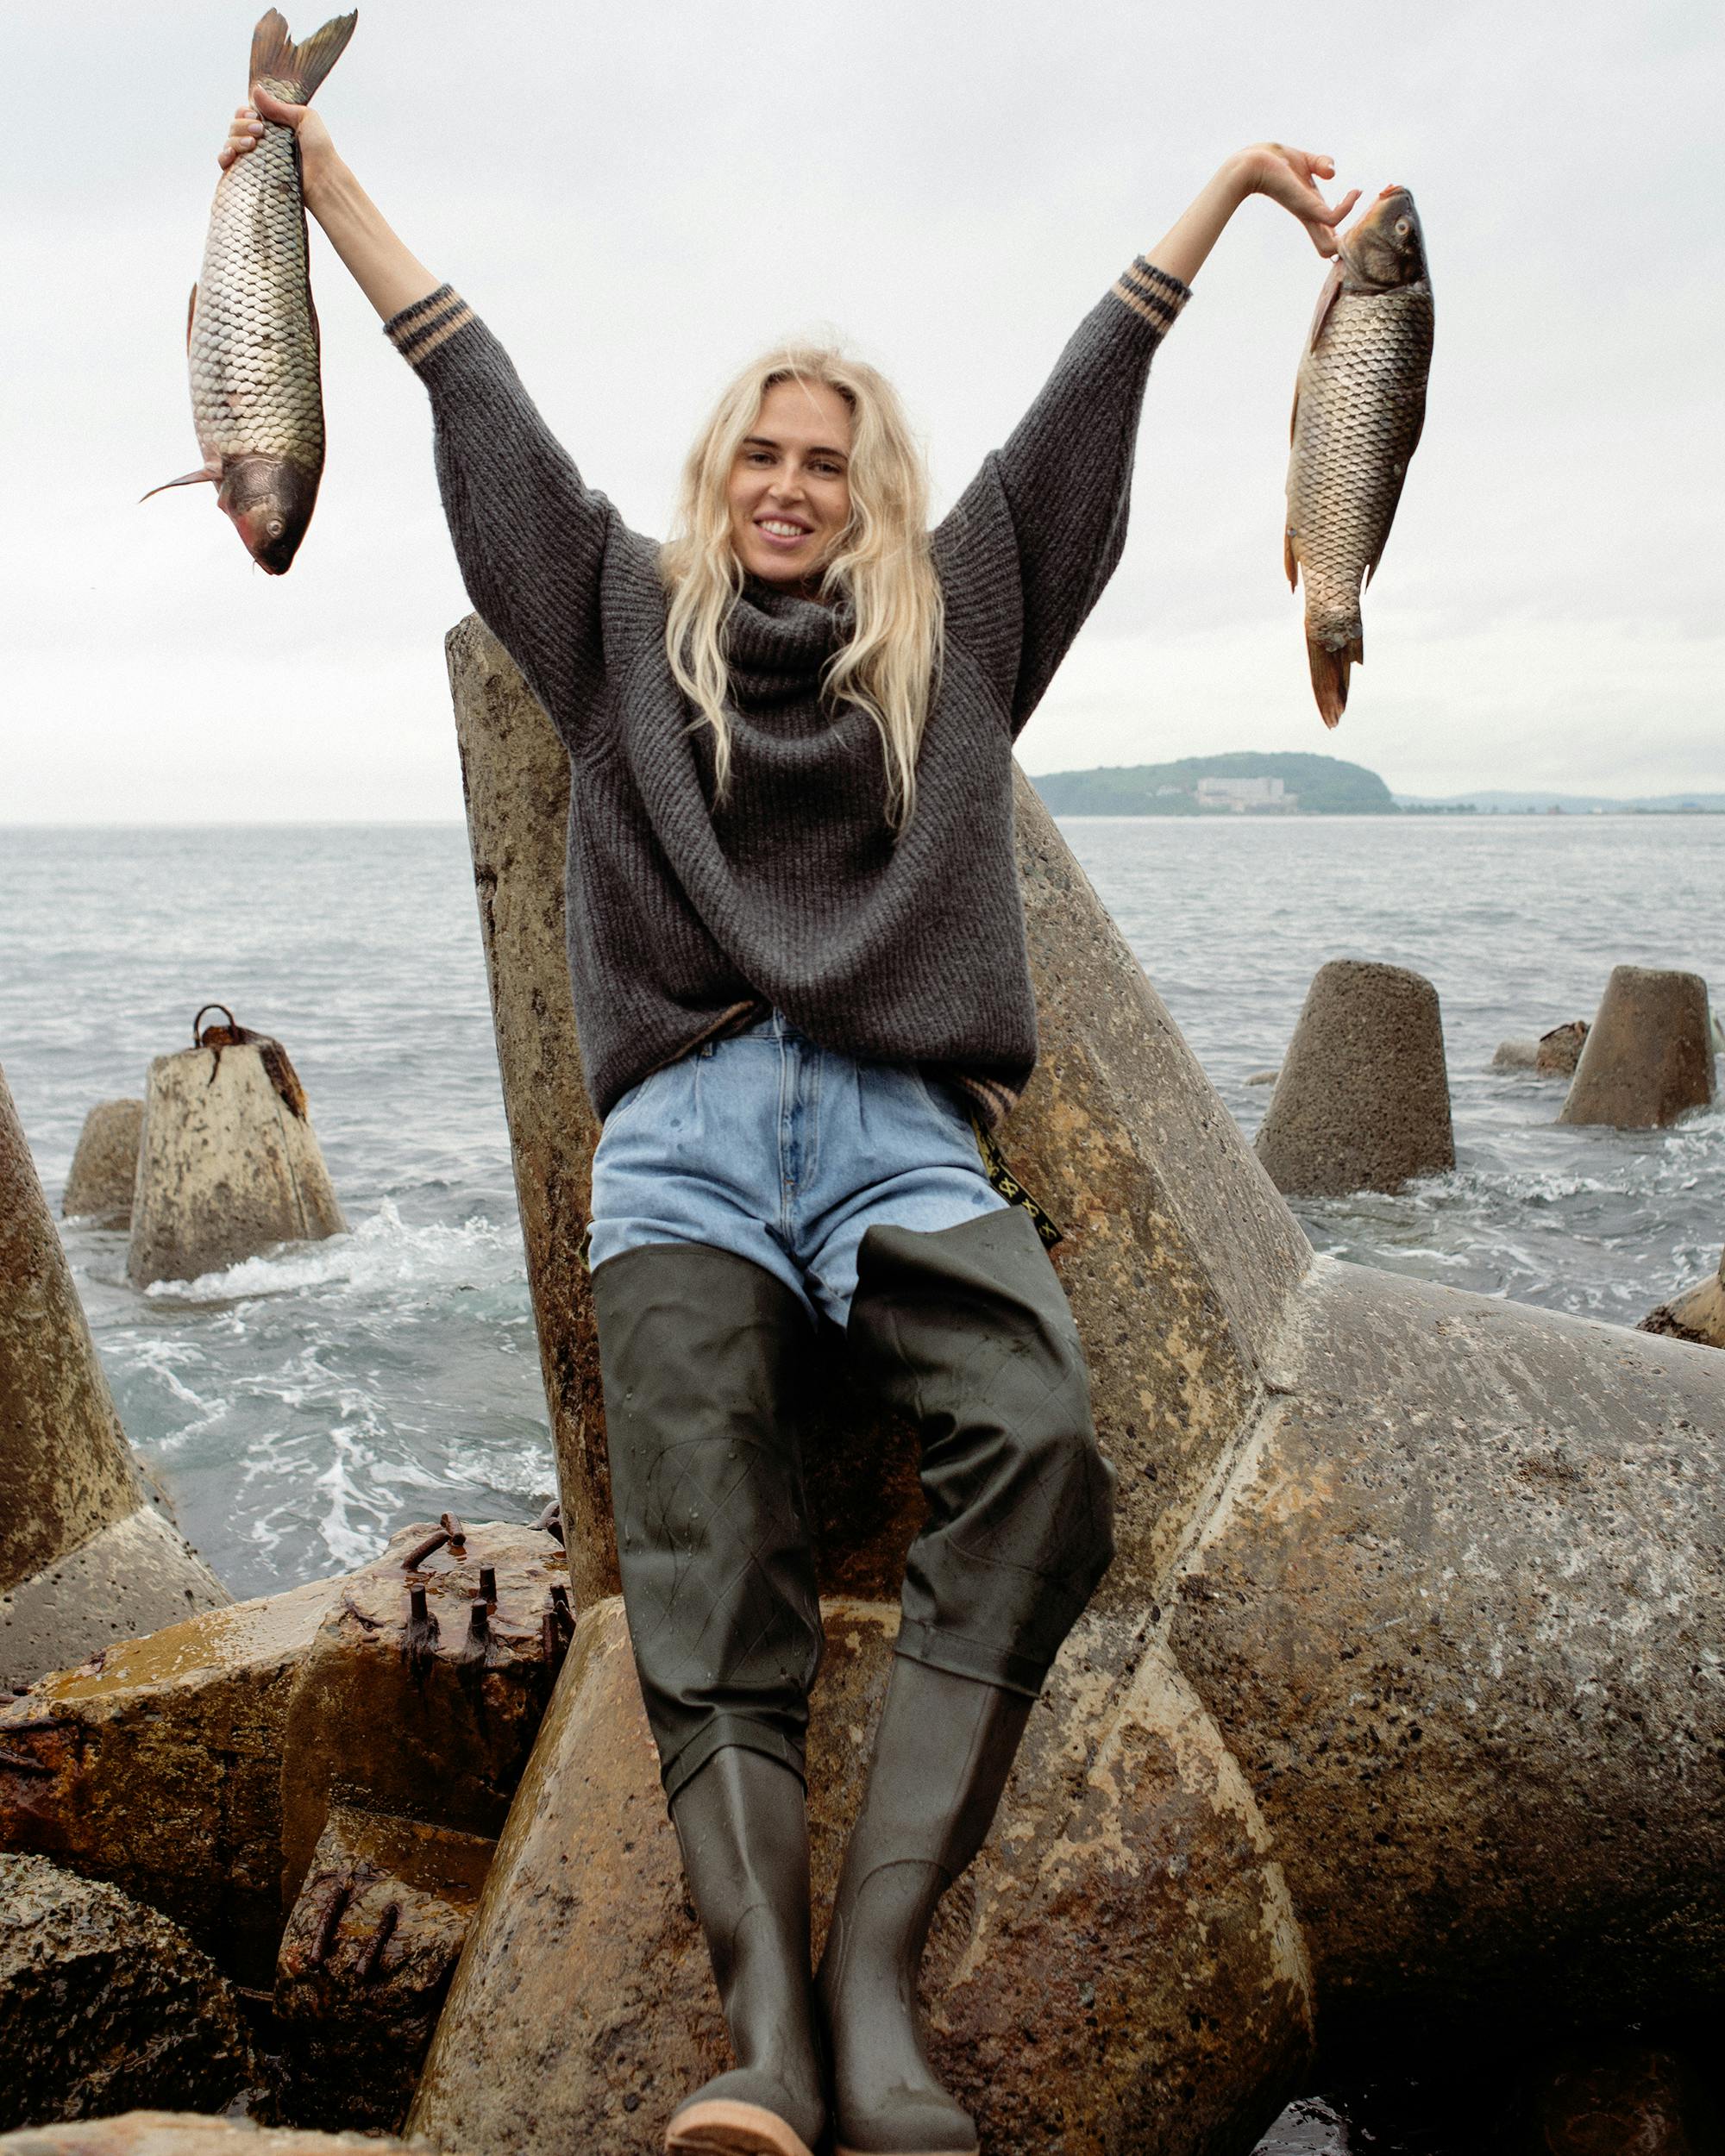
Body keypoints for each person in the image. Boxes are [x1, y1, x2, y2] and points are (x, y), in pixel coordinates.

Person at [220, 91, 1357, 2156]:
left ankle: (868, 1983)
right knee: (697, 1550)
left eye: (827, 462)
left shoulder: (958, 630)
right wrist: (302, 178)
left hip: (900, 1132)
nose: (788, 483)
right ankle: (761, 2031)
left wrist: (1218, 205)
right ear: (714, 475)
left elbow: (1083, 412)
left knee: (1039, 1445)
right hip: (680, 1151)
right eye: (760, 450)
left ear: (871, 496)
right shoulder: (614, 624)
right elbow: (464, 382)